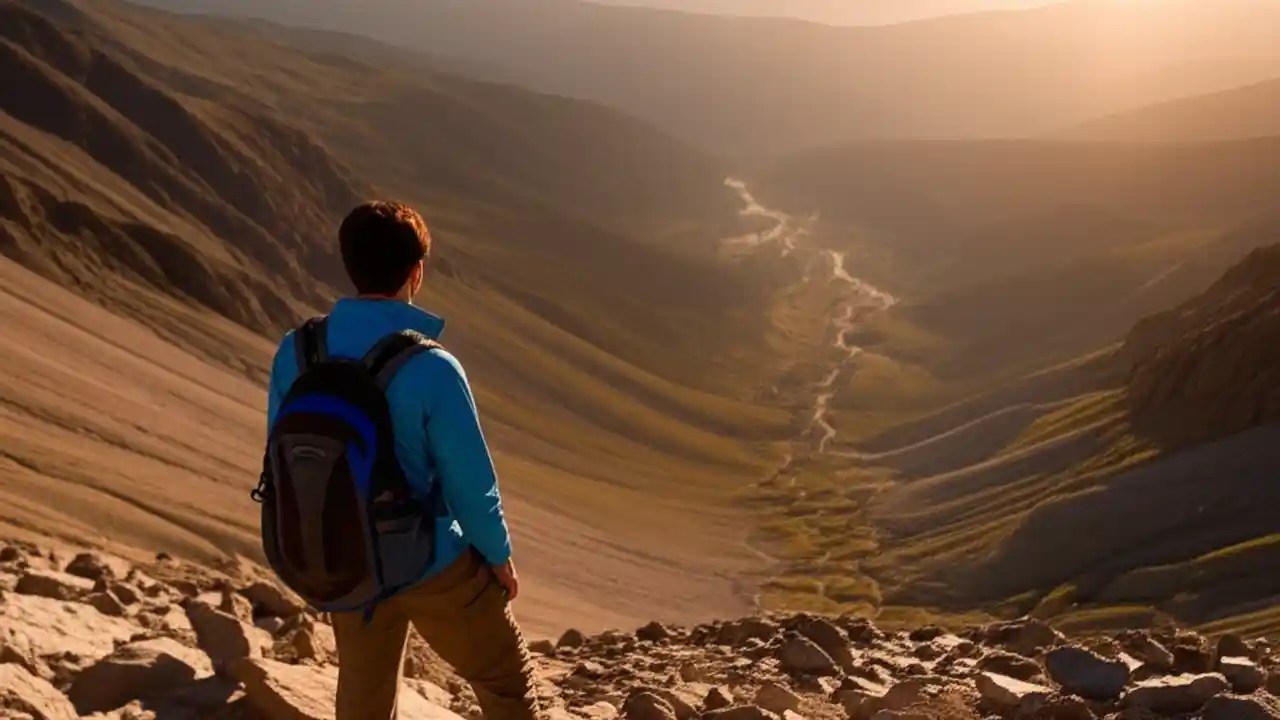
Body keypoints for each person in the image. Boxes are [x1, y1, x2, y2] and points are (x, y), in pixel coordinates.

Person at [265, 201, 539, 720]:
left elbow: (283, 458)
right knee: (507, 682)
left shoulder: (296, 352)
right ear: (416, 272)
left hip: (345, 562)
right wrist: (497, 556)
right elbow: (469, 480)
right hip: (433, 564)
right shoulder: (431, 367)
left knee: (364, 703)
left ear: (348, 263)